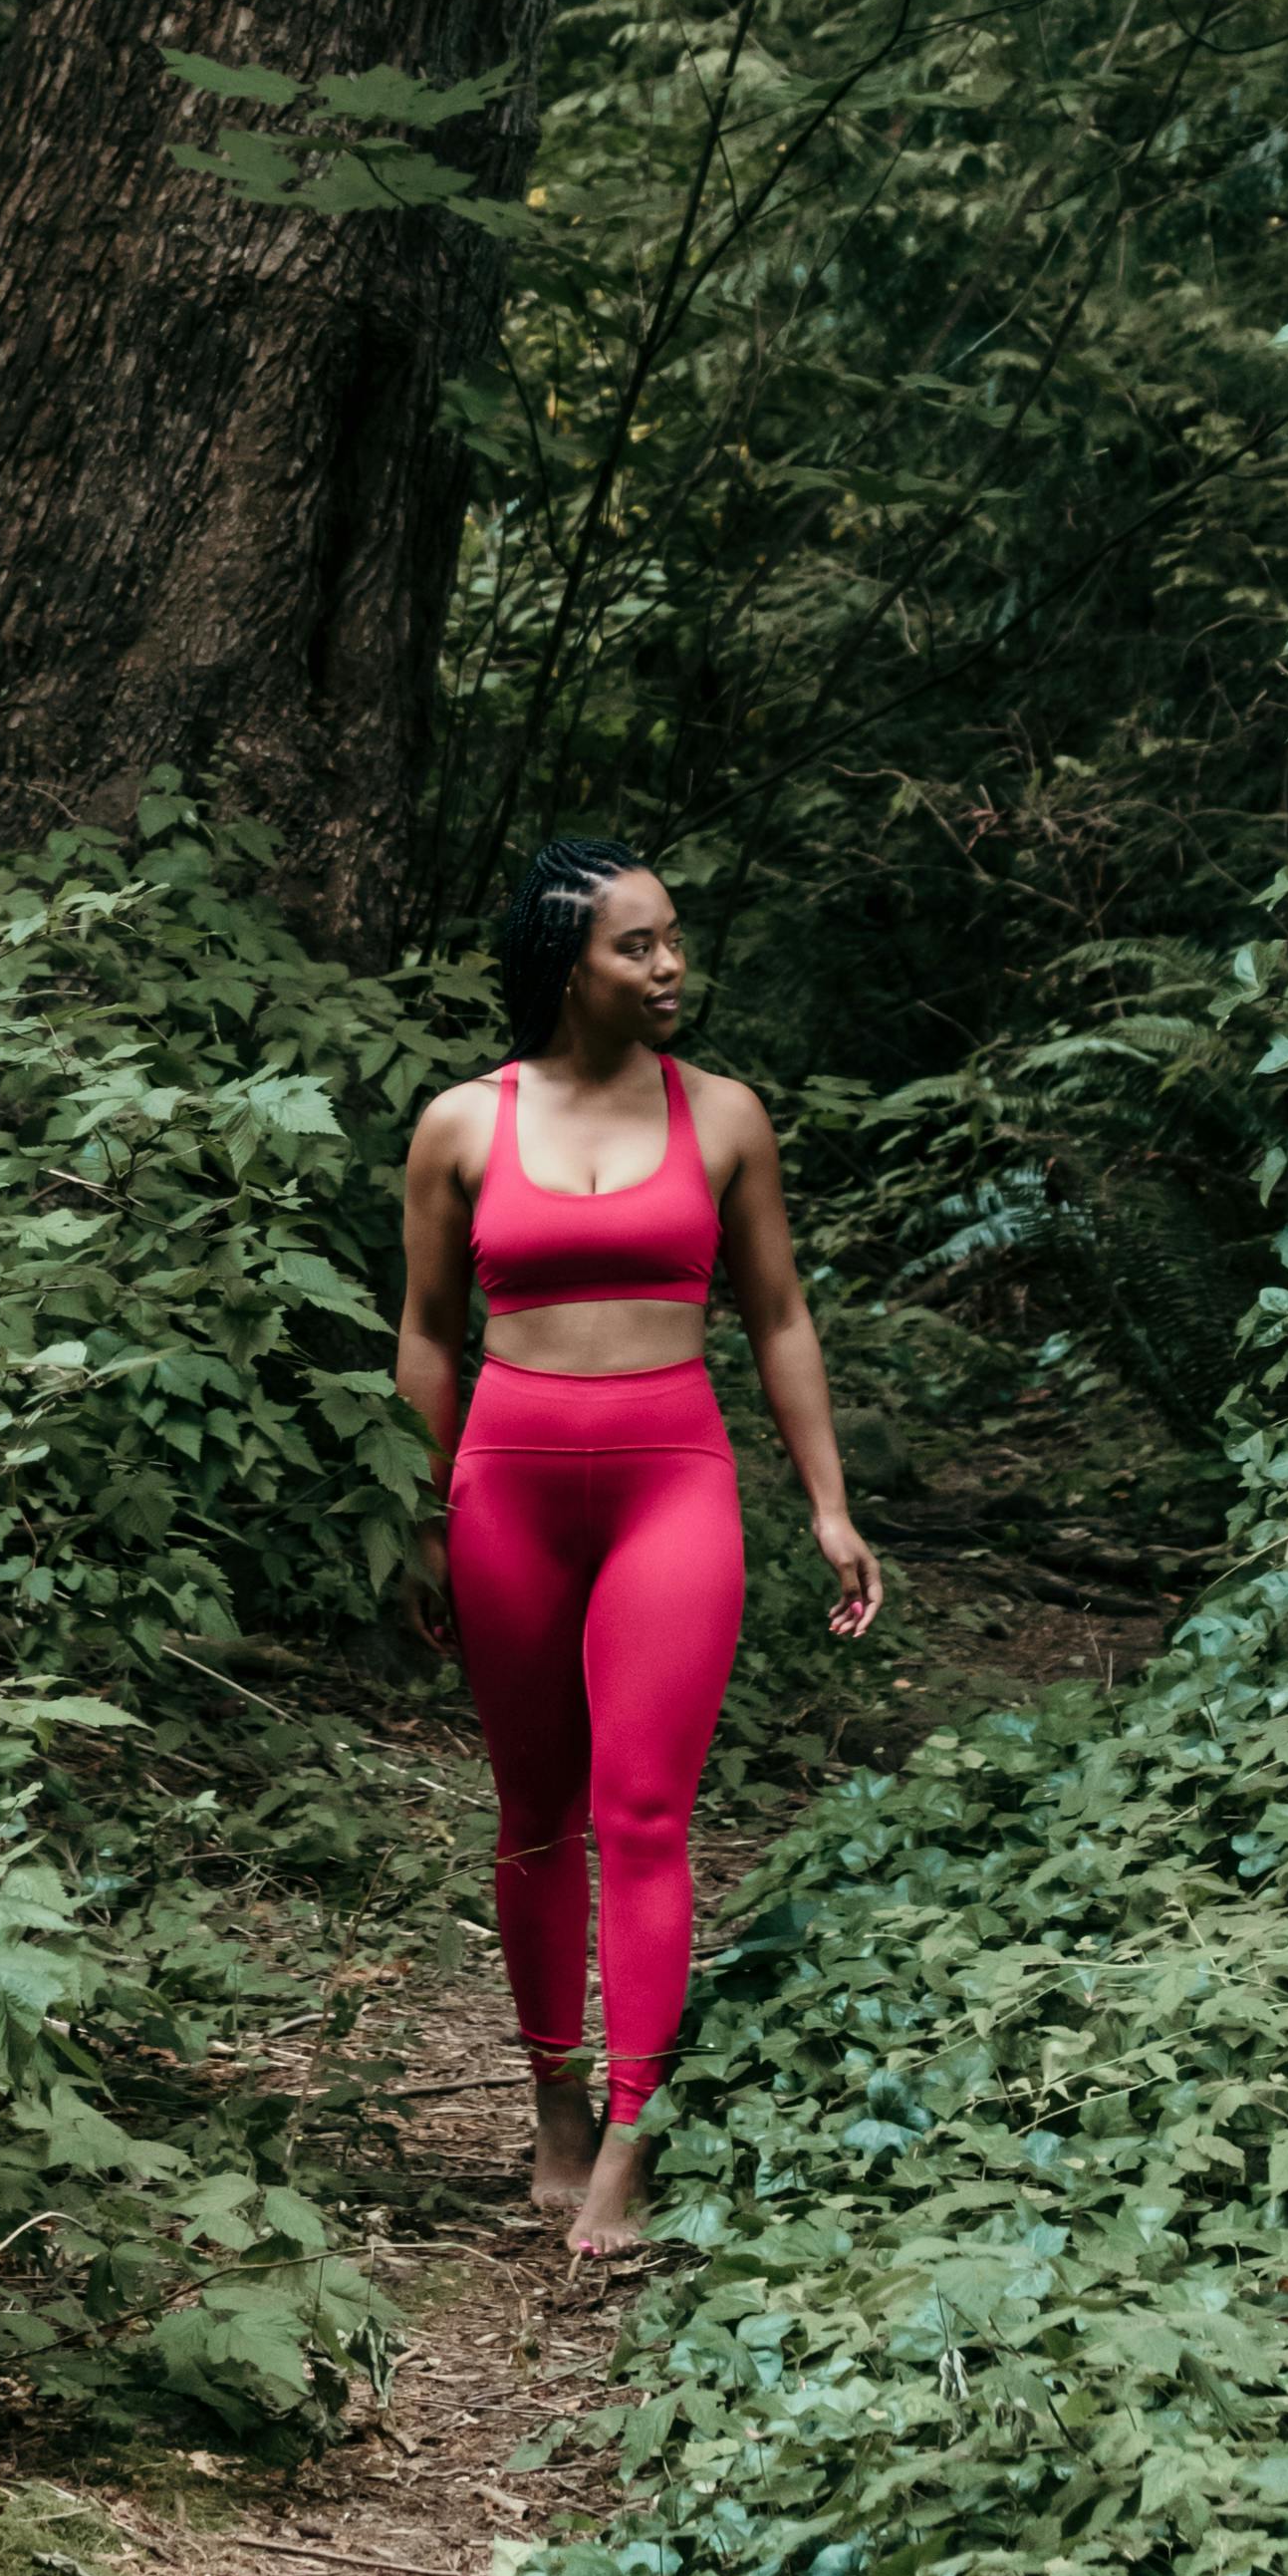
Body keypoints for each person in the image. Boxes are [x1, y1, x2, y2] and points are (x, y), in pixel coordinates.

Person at [396, 839, 882, 2257]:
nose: (672, 967)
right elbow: (427, 1334)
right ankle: (551, 2089)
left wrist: (829, 1505)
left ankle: (629, 2132)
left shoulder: (725, 1116)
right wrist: (422, 1517)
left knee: (648, 1814)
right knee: (535, 1815)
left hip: (675, 1483)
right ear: (565, 968)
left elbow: (779, 1316)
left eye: (675, 939)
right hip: (508, 1490)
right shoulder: (461, 1125)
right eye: (638, 946)